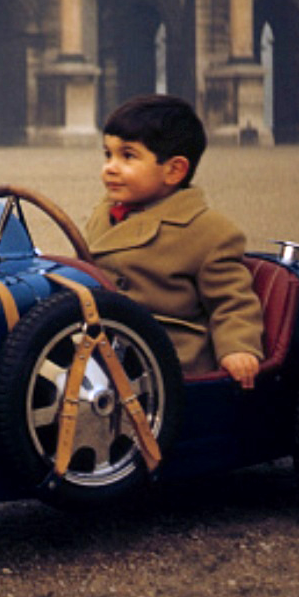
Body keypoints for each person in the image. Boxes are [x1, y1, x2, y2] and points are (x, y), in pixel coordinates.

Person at [83, 95, 263, 389]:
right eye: (108, 154)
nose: (110, 168)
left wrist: (238, 348)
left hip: (163, 362)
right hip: (103, 343)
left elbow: (232, 302)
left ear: (174, 170)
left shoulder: (208, 232)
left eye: (128, 156)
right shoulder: (105, 212)